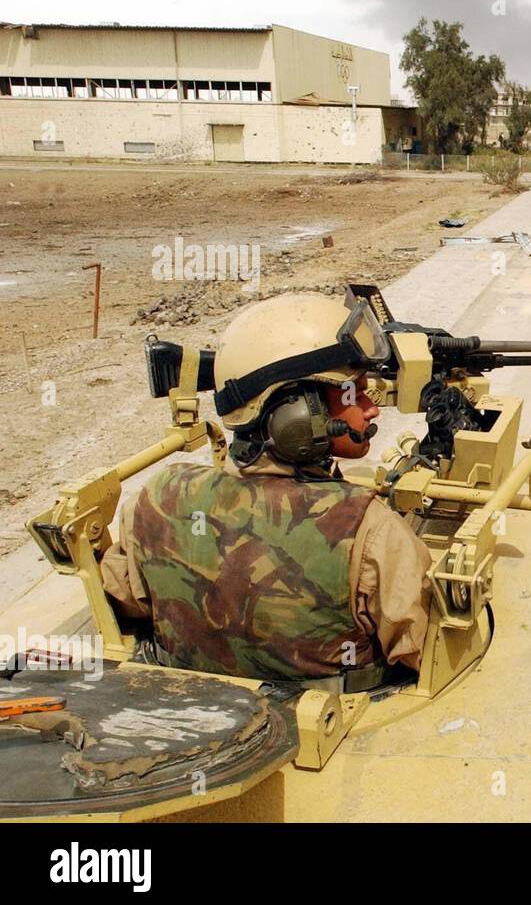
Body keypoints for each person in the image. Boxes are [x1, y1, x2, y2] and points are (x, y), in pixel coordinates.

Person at [99, 293, 431, 688]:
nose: (372, 407)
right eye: (352, 392)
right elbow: (419, 649)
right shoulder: (372, 529)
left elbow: (126, 599)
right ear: (298, 412)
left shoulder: (157, 497)